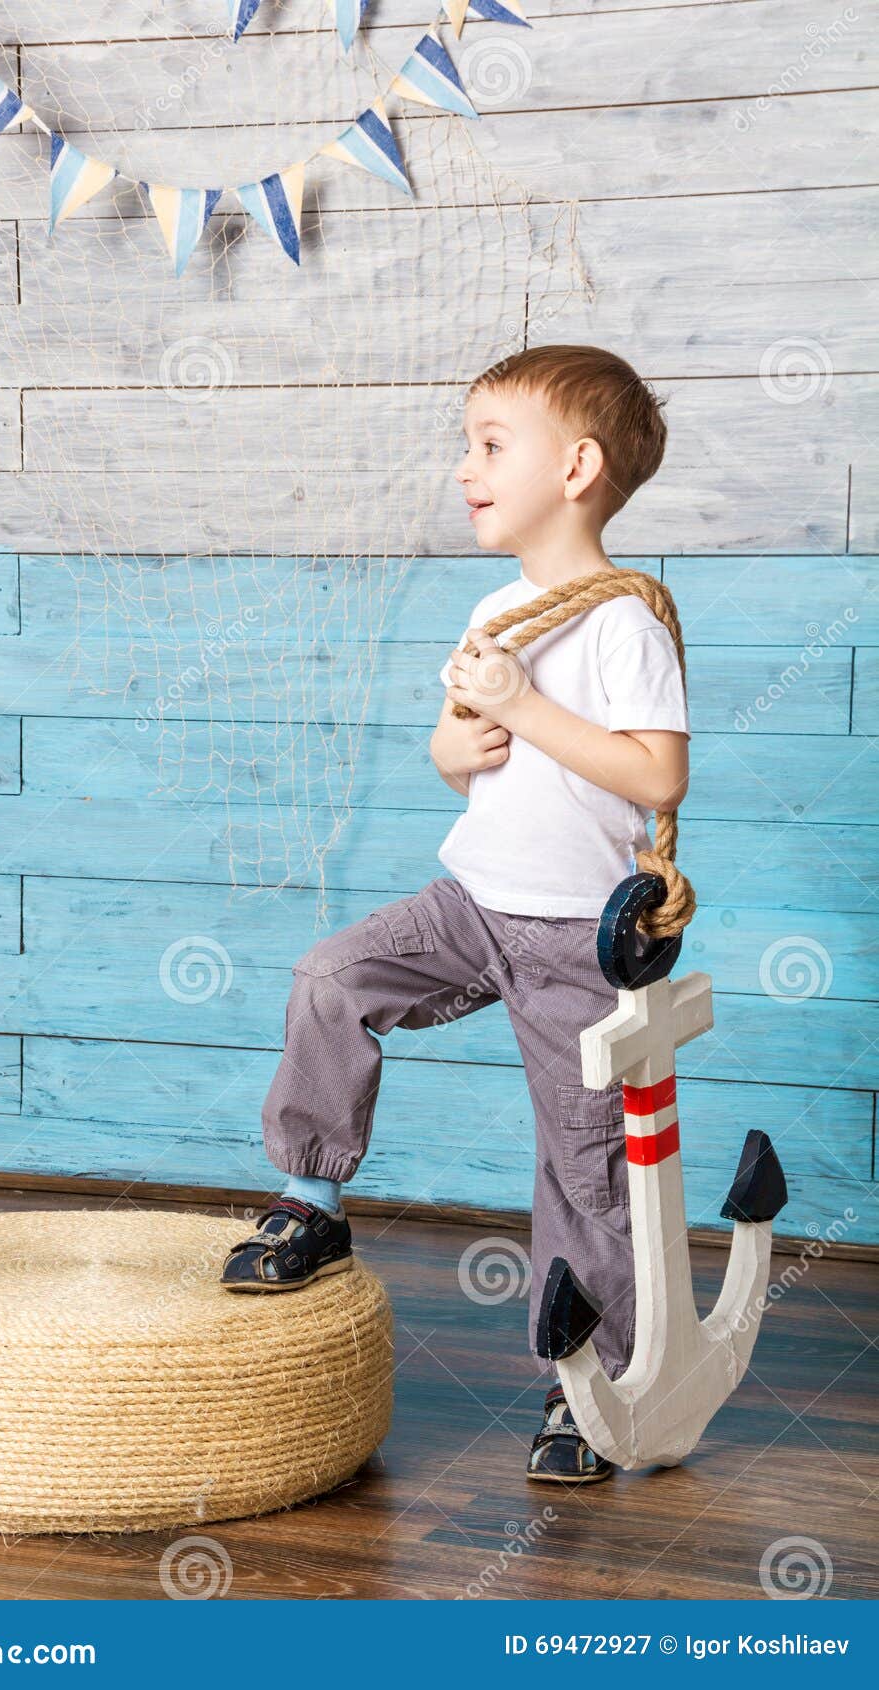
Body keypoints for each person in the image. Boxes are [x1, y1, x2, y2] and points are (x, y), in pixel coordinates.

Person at [220, 344, 691, 1485]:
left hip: (576, 932)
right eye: (466, 444)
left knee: (583, 1166)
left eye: (489, 445)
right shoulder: (497, 605)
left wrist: (523, 706)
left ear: (574, 466)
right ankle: (313, 1197)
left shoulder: (623, 619)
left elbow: (656, 778)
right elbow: (461, 757)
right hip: (473, 901)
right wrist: (453, 743)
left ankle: (590, 1384)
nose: (463, 467)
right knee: (332, 977)